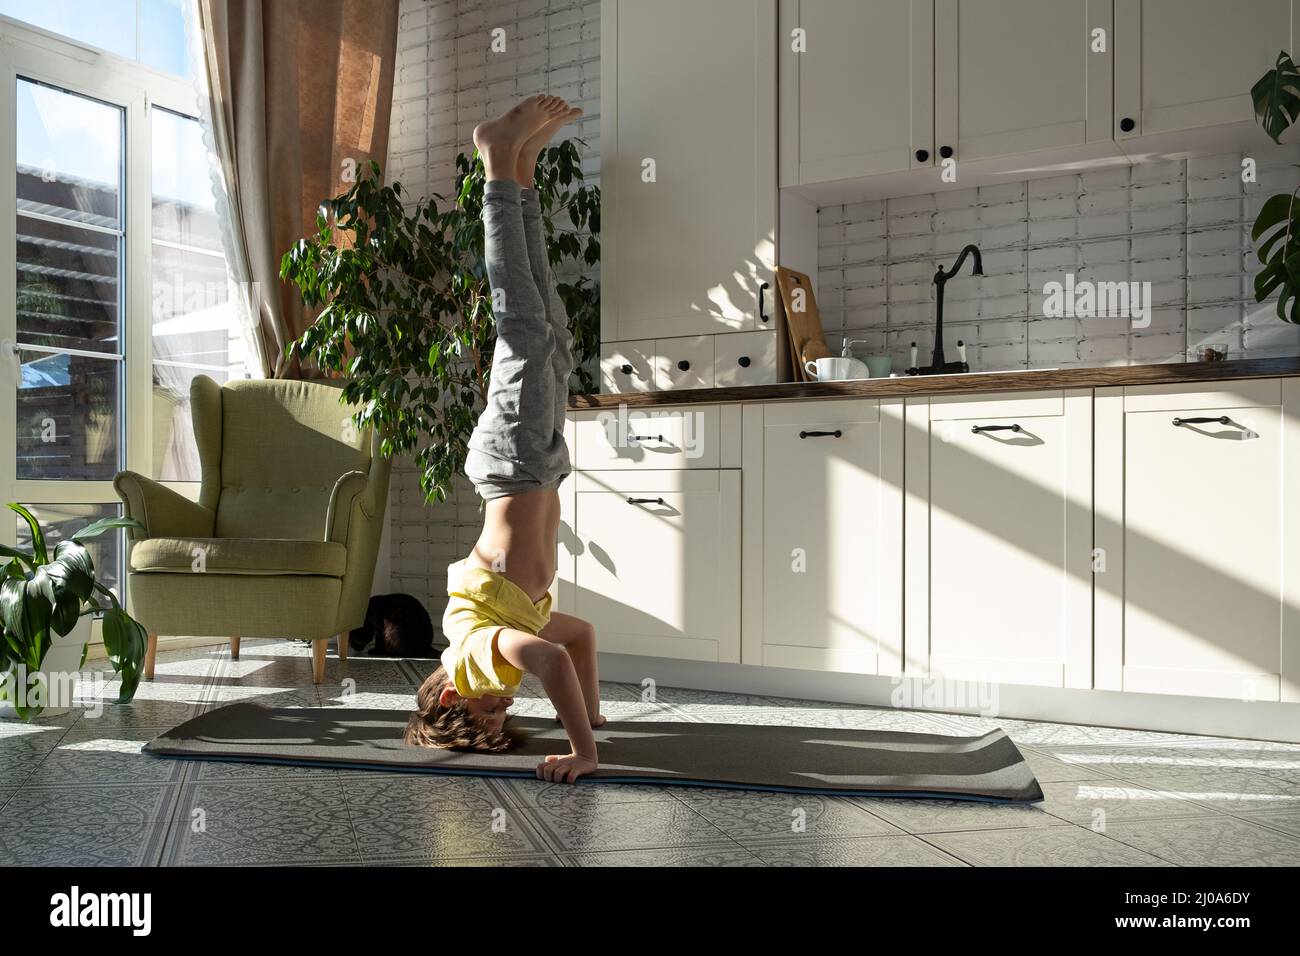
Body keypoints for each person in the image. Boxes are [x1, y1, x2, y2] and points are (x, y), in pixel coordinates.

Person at [405, 95, 604, 784]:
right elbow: (575, 640)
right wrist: (596, 713)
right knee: (548, 323)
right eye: (500, 719)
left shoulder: (470, 655)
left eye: (489, 714)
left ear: (455, 695)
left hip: (515, 461)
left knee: (520, 321)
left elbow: (548, 662)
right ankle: (522, 167)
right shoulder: (495, 648)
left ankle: (495, 157)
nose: (502, 706)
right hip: (538, 464)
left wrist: (583, 750)